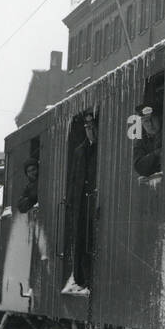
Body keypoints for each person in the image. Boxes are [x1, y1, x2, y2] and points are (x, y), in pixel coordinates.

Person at [64, 111, 98, 291]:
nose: (90, 130)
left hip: (94, 202)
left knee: (92, 240)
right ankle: (82, 278)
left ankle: (91, 279)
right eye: (87, 127)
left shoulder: (100, 149)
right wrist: (71, 201)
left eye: (92, 126)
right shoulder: (79, 152)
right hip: (81, 205)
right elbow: (74, 179)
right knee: (81, 242)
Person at [133, 104, 162, 176]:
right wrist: (156, 154)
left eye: (152, 119)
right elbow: (140, 167)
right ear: (142, 123)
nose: (150, 124)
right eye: (146, 121)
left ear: (159, 118)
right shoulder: (141, 141)